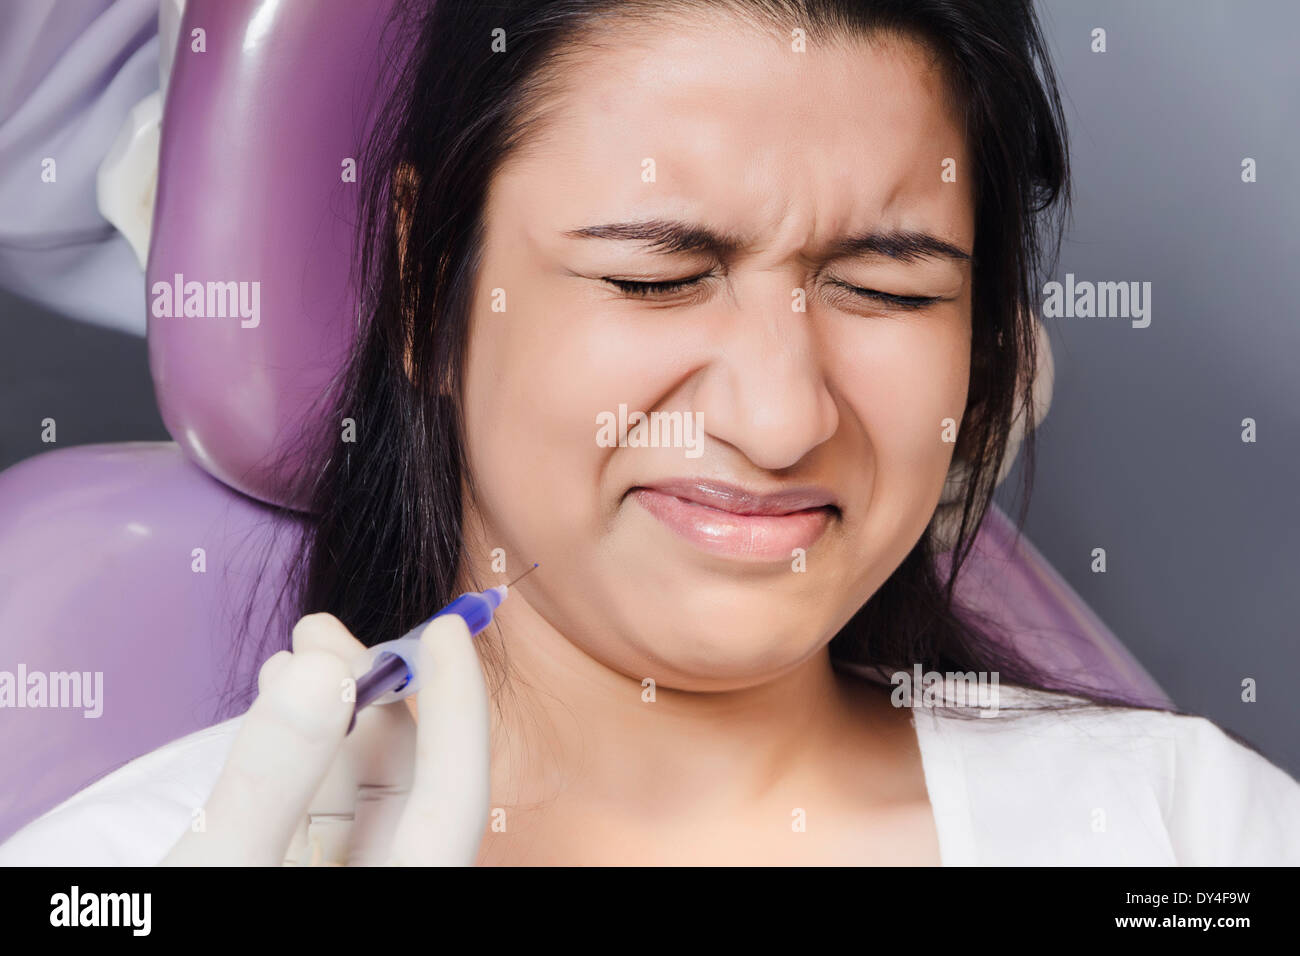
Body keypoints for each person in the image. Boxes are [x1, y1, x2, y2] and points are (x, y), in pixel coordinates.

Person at [3, 0, 1298, 866]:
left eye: (890, 290)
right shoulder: (139, 860)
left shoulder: (1179, 831)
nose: (782, 417)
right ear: (420, 290)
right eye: (656, 276)